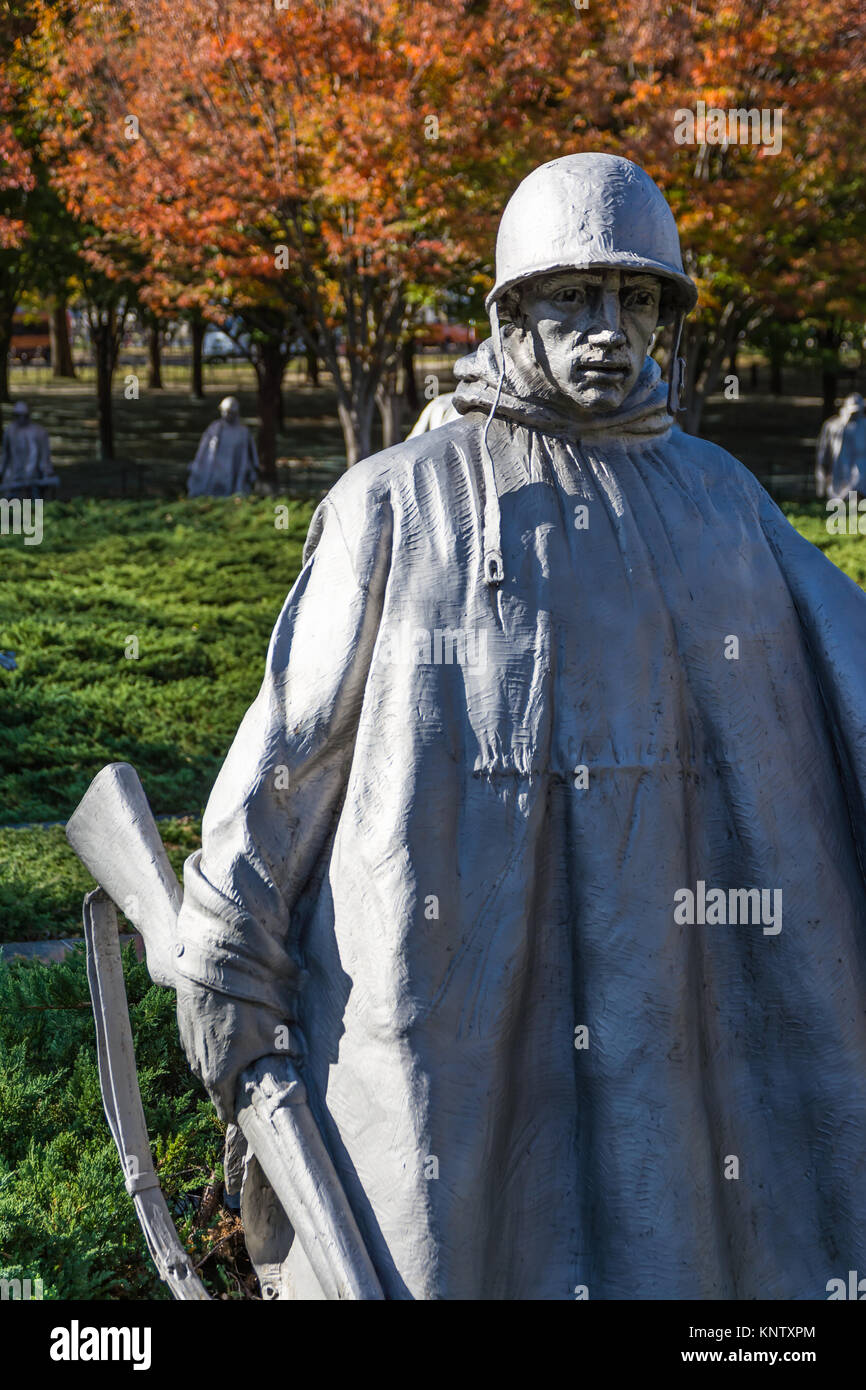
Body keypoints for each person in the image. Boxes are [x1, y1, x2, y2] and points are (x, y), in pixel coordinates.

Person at [175, 153, 866, 1300]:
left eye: (634, 299)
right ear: (509, 311)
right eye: (570, 297)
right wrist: (226, 940)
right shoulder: (398, 502)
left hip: (683, 1023)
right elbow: (292, 754)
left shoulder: (723, 500)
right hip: (455, 1016)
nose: (606, 329)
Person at [187, 396, 258, 496]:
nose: (226, 415)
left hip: (235, 466)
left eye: (229, 412)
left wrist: (253, 466)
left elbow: (251, 453)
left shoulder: (243, 431)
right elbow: (204, 449)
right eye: (224, 411)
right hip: (217, 467)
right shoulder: (216, 428)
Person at [0, 401, 58, 495]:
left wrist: (47, 471)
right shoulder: (9, 431)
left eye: (23, 415)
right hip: (13, 476)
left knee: (32, 505)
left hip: (32, 476)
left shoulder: (39, 432)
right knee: (11, 506)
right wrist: (1, 471)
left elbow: (44, 456)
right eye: (17, 415)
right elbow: (5, 454)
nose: (21, 419)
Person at [815, 391, 866, 499]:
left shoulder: (864, 426)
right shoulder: (833, 426)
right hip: (839, 476)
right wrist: (822, 481)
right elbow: (824, 454)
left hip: (861, 479)